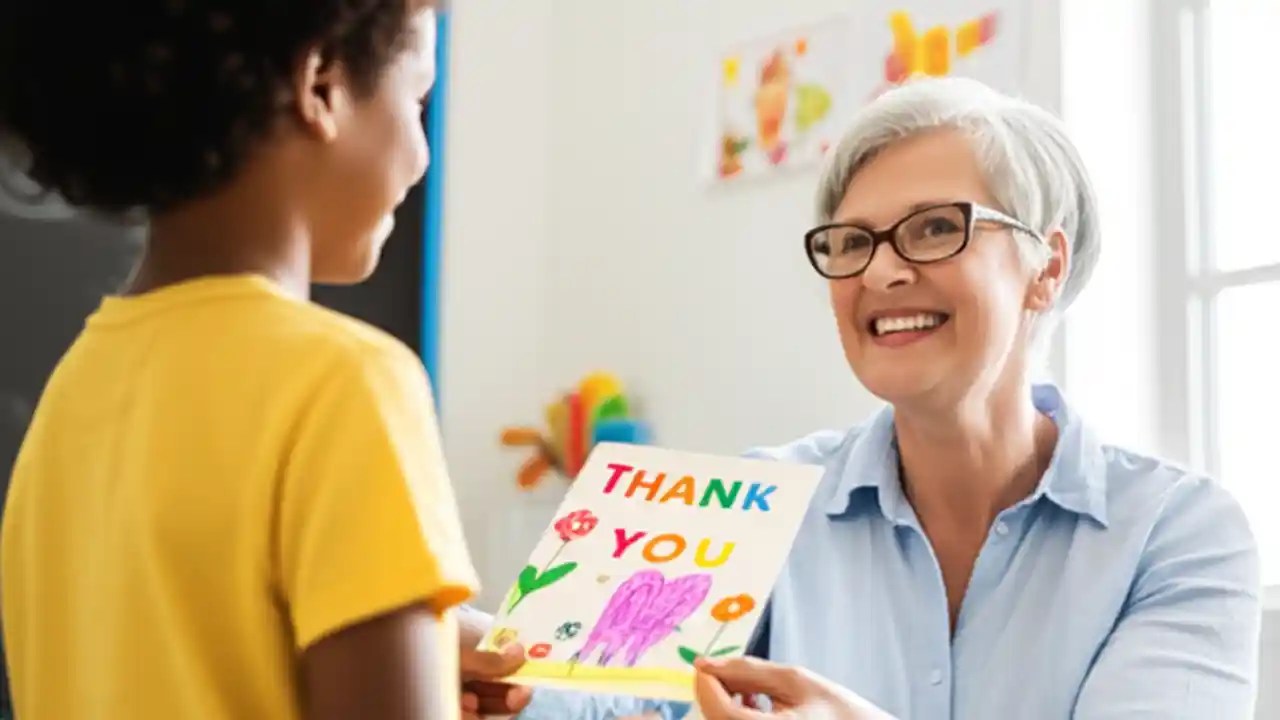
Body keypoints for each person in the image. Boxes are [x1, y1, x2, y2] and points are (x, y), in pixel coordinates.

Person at [519, 77, 1263, 719]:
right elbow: (560, 692)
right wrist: (455, 650)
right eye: (850, 242)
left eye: (936, 228)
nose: (880, 273)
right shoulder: (735, 500)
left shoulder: (1180, 535)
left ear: (1047, 266)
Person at [0, 2, 530, 718]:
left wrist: (424, 663)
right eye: (418, 100)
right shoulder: (349, 383)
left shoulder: (74, 391)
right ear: (321, 84)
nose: (422, 153)